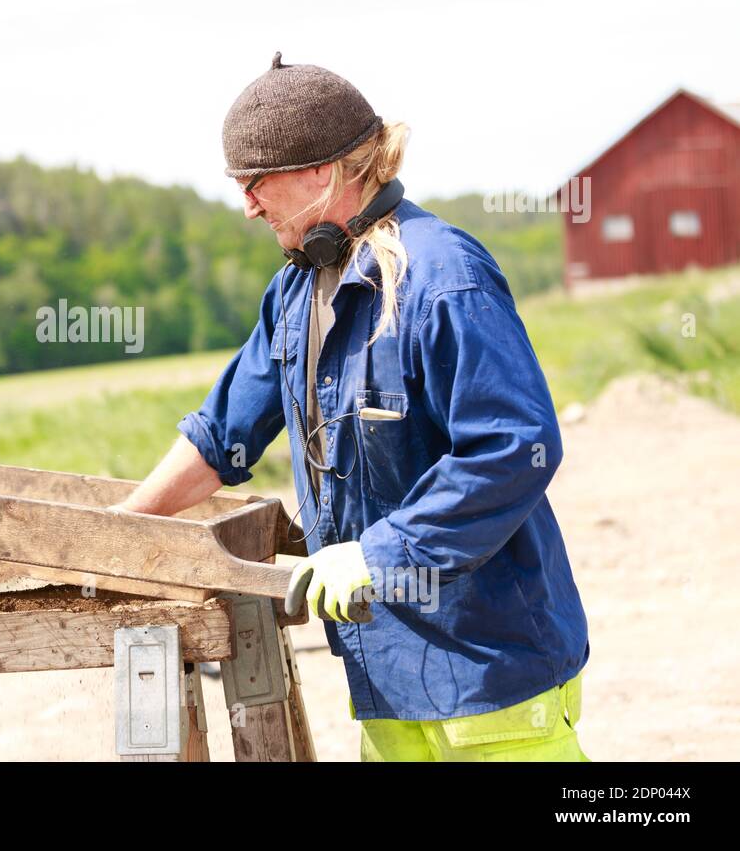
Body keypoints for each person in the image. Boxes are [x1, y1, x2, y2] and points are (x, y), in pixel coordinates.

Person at [114, 52, 591, 761]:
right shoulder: (295, 294)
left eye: (256, 182)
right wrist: (113, 534)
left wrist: (380, 553)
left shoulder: (442, 276)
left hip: (491, 676)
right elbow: (221, 439)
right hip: (386, 681)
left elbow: (514, 449)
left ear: (324, 171)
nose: (246, 205)